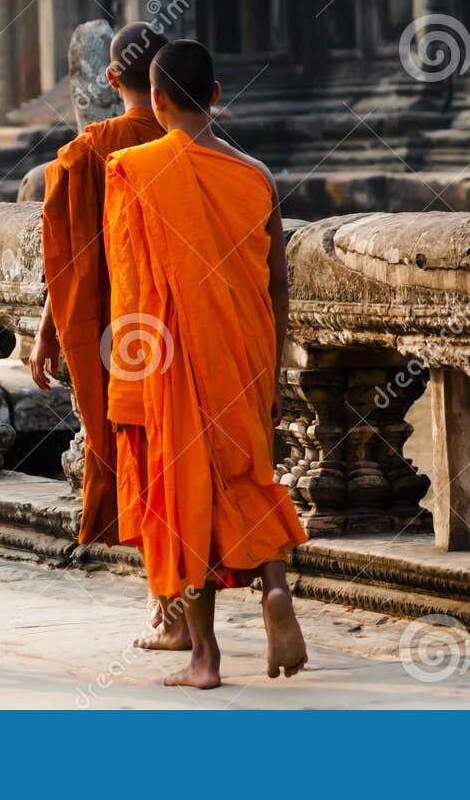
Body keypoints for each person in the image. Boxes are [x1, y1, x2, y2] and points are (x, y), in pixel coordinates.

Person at [103, 38, 309, 689]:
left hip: (172, 356)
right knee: (247, 470)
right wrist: (273, 369)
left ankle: (206, 658)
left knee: (186, 495)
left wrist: (130, 379)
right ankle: (274, 582)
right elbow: (277, 283)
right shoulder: (255, 175)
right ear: (216, 96)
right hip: (245, 350)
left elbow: (130, 281)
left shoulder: (133, 168)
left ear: (156, 102)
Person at [28, 22, 180, 647]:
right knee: (184, 456)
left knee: (137, 459)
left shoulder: (90, 152)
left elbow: (66, 260)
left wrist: (47, 334)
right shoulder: (196, 146)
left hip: (117, 336)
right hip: (183, 327)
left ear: (111, 80)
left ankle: (166, 604)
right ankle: (195, 598)